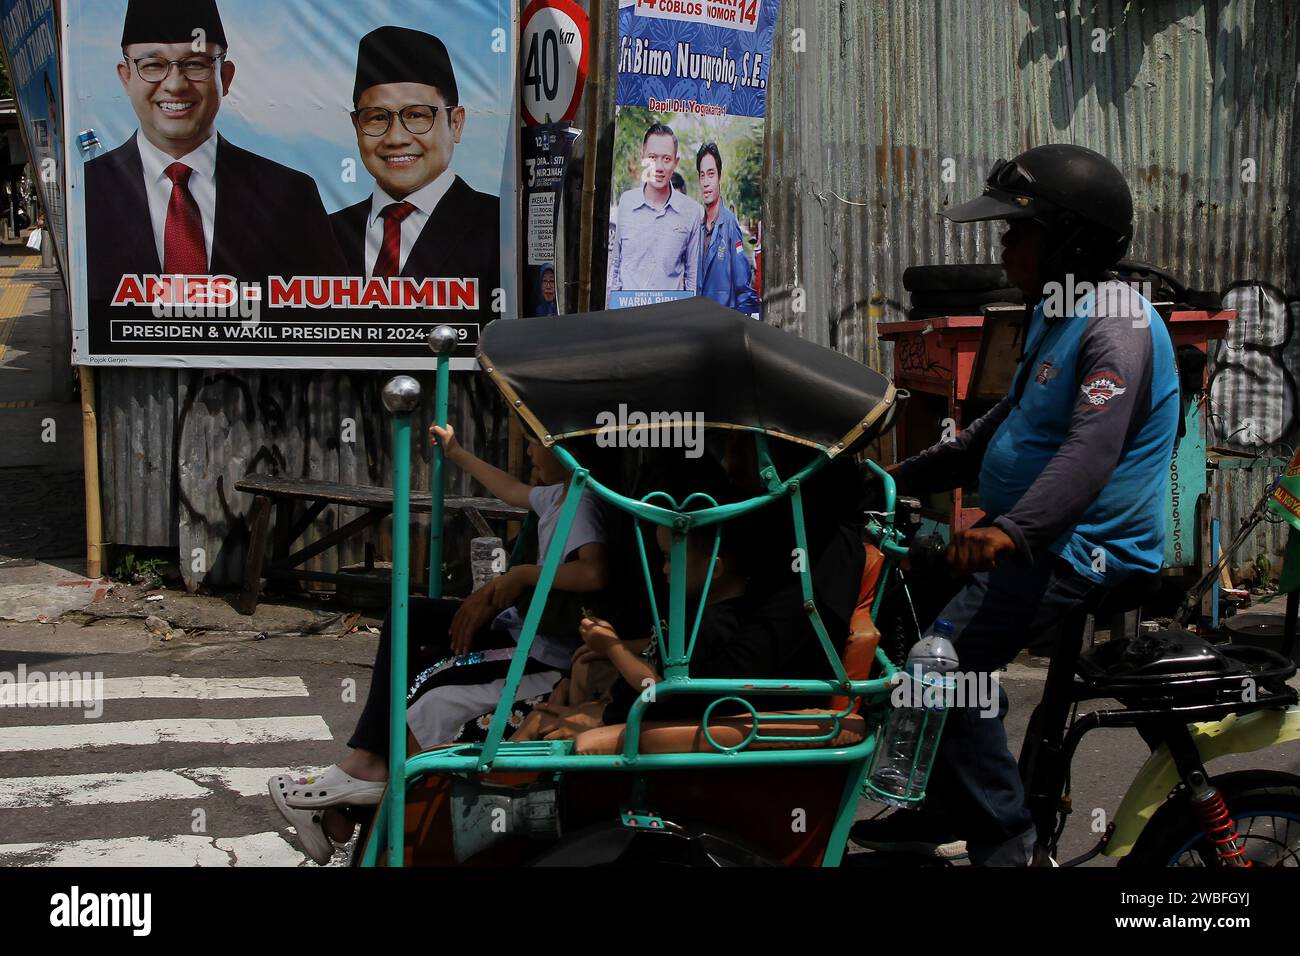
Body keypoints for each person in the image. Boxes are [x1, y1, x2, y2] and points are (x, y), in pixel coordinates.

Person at [850, 144, 1180, 866]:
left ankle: (1009, 842)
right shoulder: (1053, 315)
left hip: (1086, 548)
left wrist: (1010, 534)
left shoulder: (1117, 327)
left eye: (1017, 232)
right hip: (1039, 539)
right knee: (903, 613)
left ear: (1070, 240)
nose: (1002, 248)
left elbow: (1088, 456)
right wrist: (890, 478)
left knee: (947, 662)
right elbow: (1001, 428)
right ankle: (943, 802)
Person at [268, 424, 608, 864]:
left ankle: (355, 794)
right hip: (522, 625)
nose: (527, 449)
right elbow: (510, 490)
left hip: (544, 645)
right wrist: (457, 452)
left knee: (429, 684)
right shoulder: (558, 494)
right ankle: (353, 795)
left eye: (535, 441)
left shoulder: (582, 499)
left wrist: (521, 575)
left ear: (565, 450)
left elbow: (594, 573)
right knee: (410, 622)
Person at [83, 0, 344, 307]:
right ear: (126, 77)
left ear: (226, 77)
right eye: (152, 65)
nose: (175, 85)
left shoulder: (289, 195)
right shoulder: (85, 192)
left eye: (196, 64)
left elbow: (329, 317)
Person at [329, 26, 499, 317]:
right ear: (357, 128)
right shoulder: (325, 233)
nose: (396, 138)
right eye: (377, 118)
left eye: (417, 115)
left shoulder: (500, 228)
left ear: (455, 123)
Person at [606, 123, 703, 304]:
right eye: (652, 157)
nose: (658, 167)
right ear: (642, 157)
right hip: (629, 317)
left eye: (666, 159)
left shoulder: (691, 212)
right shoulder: (626, 203)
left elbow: (692, 277)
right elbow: (616, 264)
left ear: (676, 162)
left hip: (669, 318)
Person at [694, 143, 760, 316]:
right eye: (702, 176)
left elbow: (743, 286)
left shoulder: (729, 224)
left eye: (711, 174)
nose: (706, 182)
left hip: (722, 322)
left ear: (719, 178)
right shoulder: (696, 227)